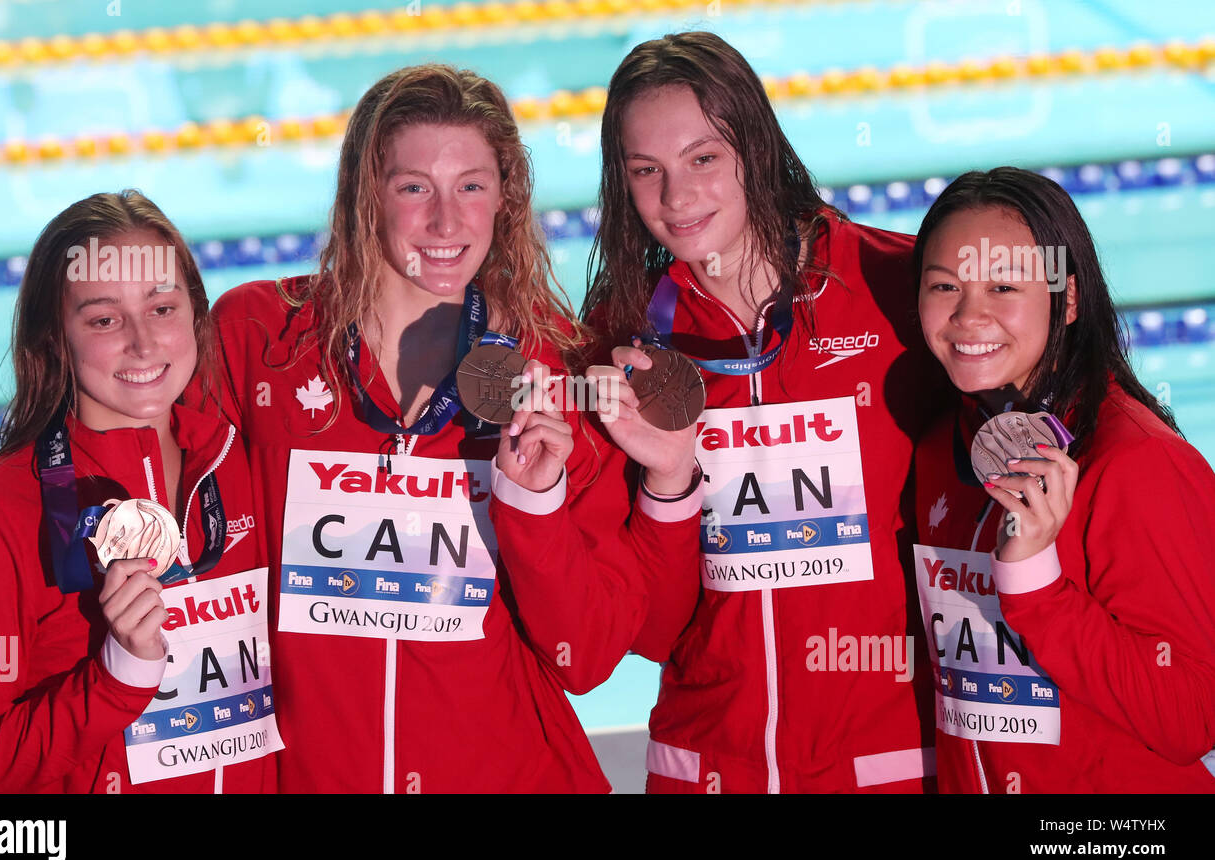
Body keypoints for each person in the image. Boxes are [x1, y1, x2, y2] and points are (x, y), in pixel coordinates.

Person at [205, 64, 700, 793]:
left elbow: (588, 657)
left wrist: (534, 504)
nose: (446, 222)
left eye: (471, 185)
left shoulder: (552, 368)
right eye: (414, 188)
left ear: (505, 197)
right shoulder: (259, 337)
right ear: (363, 195)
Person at [581, 32, 951, 793]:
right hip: (704, 766)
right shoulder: (622, 338)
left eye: (703, 158)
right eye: (646, 170)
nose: (676, 198)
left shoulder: (892, 287)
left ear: (755, 146)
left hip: (887, 763)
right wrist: (666, 484)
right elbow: (649, 630)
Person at [0, 191, 280, 793]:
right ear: (55, 336)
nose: (143, 343)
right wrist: (117, 675)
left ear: (197, 312)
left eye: (162, 308)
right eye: (104, 319)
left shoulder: (241, 468)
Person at [912, 166, 1215, 792]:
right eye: (945, 286)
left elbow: (1192, 720)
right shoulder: (943, 451)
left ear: (1067, 299)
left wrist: (1037, 588)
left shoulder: (1138, 467)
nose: (969, 316)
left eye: (1004, 286)